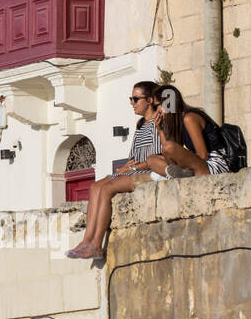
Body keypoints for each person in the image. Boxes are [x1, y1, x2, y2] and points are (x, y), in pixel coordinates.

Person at [66, 80, 162, 261]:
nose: (132, 103)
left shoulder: (157, 124)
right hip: (134, 169)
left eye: (136, 99)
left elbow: (155, 158)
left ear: (149, 100)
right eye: (131, 99)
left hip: (148, 172)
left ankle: (96, 244)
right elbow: (136, 156)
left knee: (107, 188)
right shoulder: (141, 126)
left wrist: (130, 167)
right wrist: (127, 166)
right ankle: (87, 240)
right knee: (95, 187)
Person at [143, 84, 230, 177]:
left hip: (214, 165)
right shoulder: (179, 122)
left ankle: (180, 175)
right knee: (151, 160)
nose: (157, 111)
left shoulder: (189, 118)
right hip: (199, 164)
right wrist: (160, 130)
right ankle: (180, 174)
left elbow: (203, 155)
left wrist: (184, 162)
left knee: (168, 147)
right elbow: (168, 156)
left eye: (157, 106)